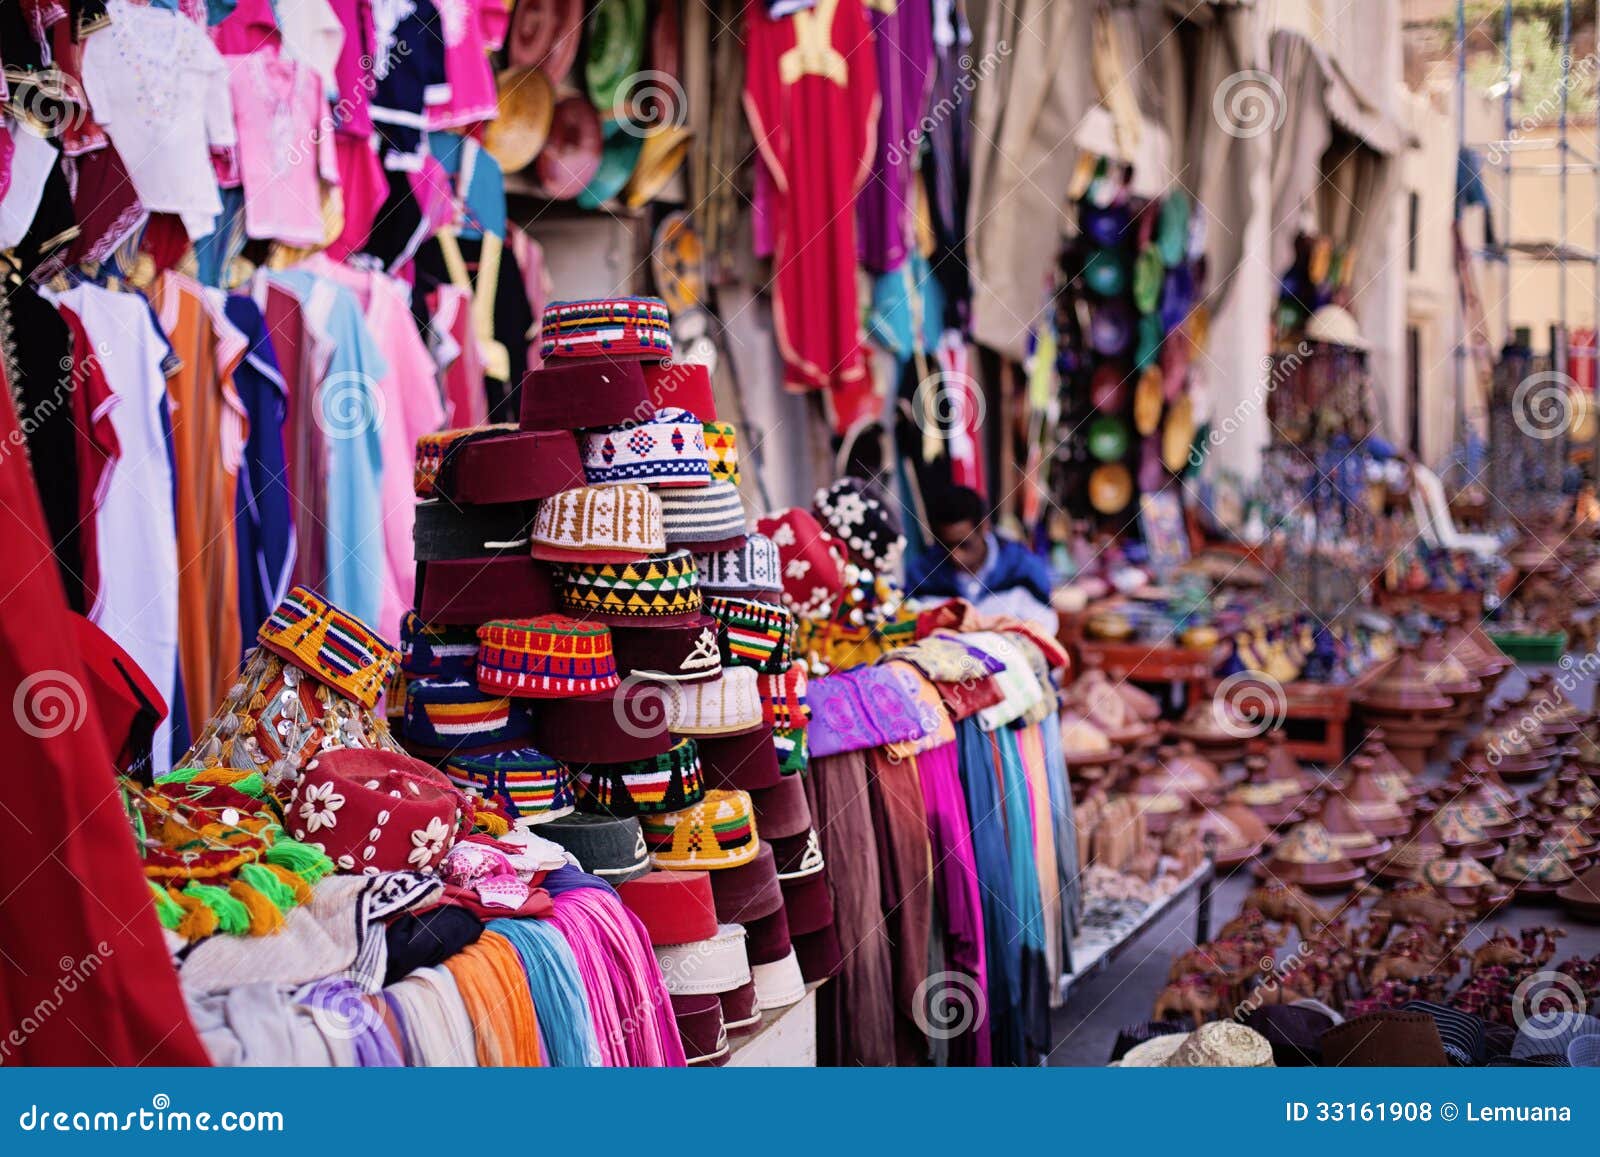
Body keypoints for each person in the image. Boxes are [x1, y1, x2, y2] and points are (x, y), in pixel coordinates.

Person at [907, 486, 1055, 605]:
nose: (955, 557)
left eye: (964, 545)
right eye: (945, 546)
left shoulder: (1023, 567)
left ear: (984, 527)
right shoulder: (922, 573)